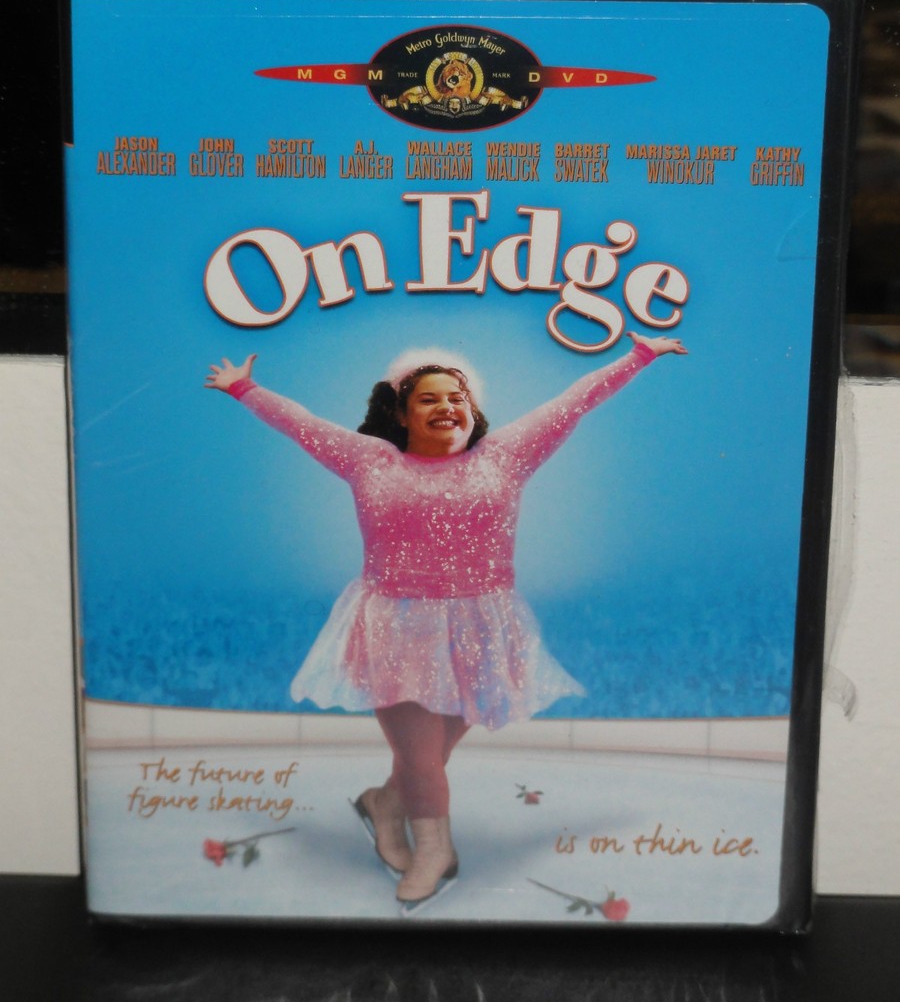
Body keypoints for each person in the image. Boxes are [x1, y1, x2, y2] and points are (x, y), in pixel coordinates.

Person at [205, 332, 686, 909]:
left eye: (457, 397)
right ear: (401, 414)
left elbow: (575, 400)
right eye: (429, 398)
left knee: (428, 756)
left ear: (473, 410)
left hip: (482, 626)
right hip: (396, 624)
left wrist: (638, 356)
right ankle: (434, 850)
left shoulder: (505, 455)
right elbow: (301, 423)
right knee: (421, 757)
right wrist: (245, 389)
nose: (447, 406)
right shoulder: (370, 460)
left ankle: (384, 804)